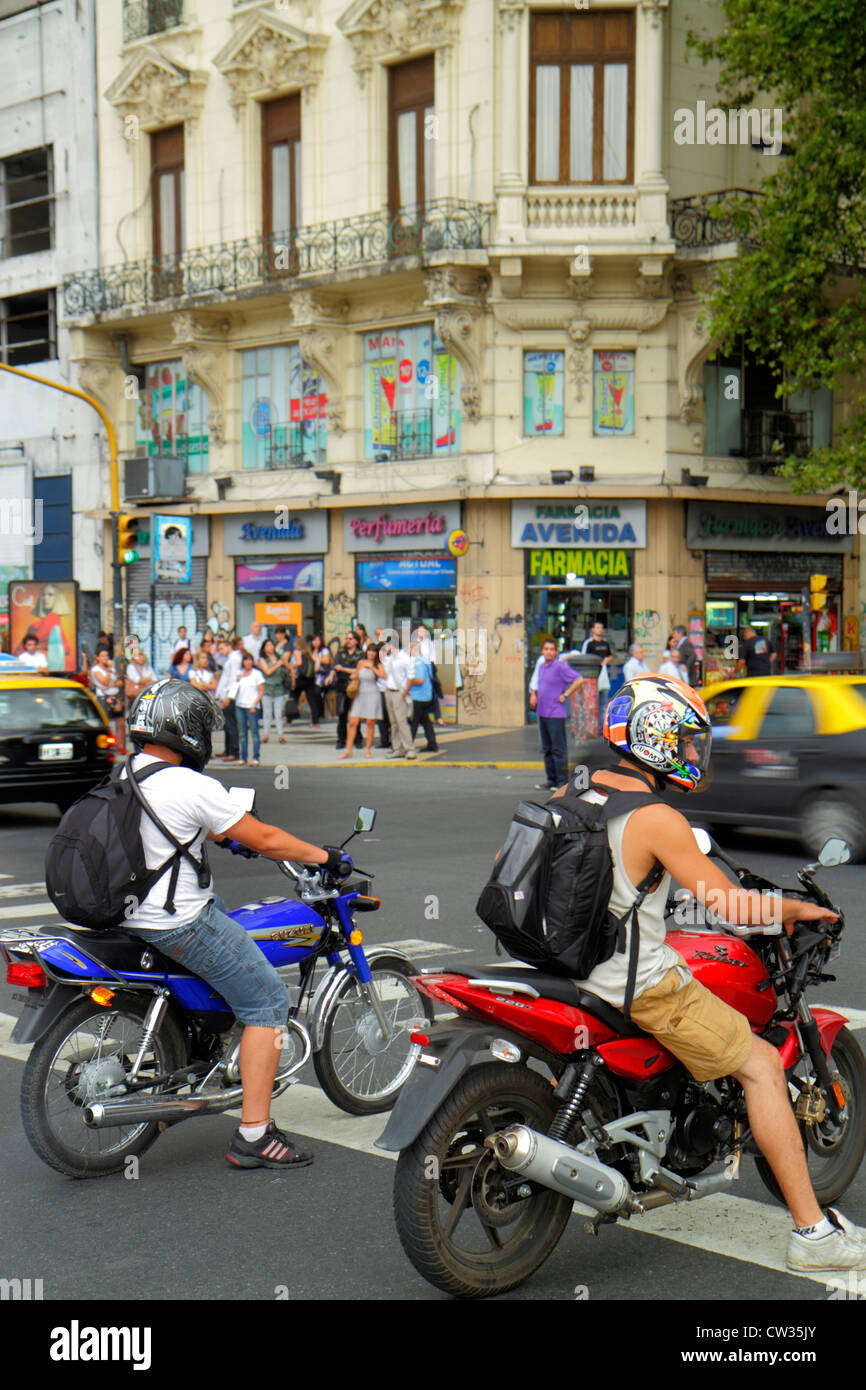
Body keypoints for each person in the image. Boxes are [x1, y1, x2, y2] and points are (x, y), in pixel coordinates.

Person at [566, 673, 866, 1275]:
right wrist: (798, 908)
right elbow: (734, 907)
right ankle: (811, 1234)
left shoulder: (573, 793)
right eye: (685, 740)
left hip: (570, 973)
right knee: (759, 1067)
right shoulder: (655, 816)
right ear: (655, 739)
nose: (691, 752)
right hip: (637, 985)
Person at [123, 678, 354, 1168]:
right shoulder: (189, 782)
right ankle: (254, 1134)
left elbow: (170, 830)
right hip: (179, 921)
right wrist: (324, 855)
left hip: (128, 915)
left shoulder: (127, 775)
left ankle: (203, 1042)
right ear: (187, 730)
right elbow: (266, 838)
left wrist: (222, 835)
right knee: (268, 999)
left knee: (227, 932)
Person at [528, 638, 585, 790]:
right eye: (546, 649)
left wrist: (565, 694)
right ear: (542, 651)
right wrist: (533, 694)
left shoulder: (560, 667)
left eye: (551, 649)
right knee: (547, 749)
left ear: (556, 652)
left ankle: (561, 781)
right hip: (543, 712)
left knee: (558, 749)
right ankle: (551, 780)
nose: (548, 652)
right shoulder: (541, 667)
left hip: (556, 713)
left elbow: (579, 680)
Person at [338, 643, 385, 759]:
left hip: (372, 693)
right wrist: (352, 675)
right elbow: (356, 673)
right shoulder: (361, 662)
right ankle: (348, 749)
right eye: (369, 651)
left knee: (370, 723)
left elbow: (383, 675)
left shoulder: (378, 664)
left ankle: (367, 749)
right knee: (353, 721)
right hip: (360, 693)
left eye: (373, 652)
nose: (371, 653)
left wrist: (372, 668)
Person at [381, 634, 416, 759]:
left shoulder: (404, 658)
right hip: (389, 691)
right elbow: (385, 675)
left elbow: (412, 676)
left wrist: (405, 691)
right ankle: (398, 748)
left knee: (401, 722)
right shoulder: (389, 659)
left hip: (399, 692)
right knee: (393, 722)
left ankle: (410, 748)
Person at [326, 630, 362, 750]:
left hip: (354, 687)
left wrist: (343, 669)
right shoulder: (341, 653)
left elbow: (358, 670)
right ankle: (341, 740)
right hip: (342, 686)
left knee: (356, 714)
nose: (348, 641)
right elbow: (335, 667)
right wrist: (331, 675)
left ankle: (357, 739)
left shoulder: (360, 654)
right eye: (347, 638)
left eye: (350, 639)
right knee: (342, 714)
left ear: (356, 641)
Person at [229, 651, 264, 766]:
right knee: (242, 733)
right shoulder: (240, 673)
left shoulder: (257, 674)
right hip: (240, 705)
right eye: (246, 660)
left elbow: (261, 691)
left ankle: (256, 757)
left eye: (250, 660)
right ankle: (243, 757)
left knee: (254, 732)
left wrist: (254, 704)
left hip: (252, 706)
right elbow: (234, 689)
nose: (248, 662)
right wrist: (237, 680)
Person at [405, 641, 439, 754]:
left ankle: (408, 746)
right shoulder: (425, 661)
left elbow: (420, 680)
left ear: (413, 649)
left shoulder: (418, 663)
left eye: (409, 648)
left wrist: (408, 682)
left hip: (418, 696)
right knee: (425, 721)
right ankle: (432, 744)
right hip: (426, 695)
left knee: (413, 722)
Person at [581, 621, 615, 734]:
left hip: (603, 677)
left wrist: (607, 660)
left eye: (601, 628)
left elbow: (610, 656)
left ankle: (601, 728)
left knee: (603, 703)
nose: (599, 630)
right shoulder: (589, 643)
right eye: (597, 627)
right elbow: (584, 657)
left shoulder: (605, 643)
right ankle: (590, 726)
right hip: (592, 677)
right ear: (593, 630)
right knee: (591, 703)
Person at [90, 647, 125, 749]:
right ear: (98, 658)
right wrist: (109, 672)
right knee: (106, 723)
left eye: (107, 656)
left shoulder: (111, 668)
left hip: (115, 697)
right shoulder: (96, 670)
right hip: (104, 698)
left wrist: (110, 685)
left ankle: (121, 747)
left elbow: (120, 682)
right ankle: (107, 746)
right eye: (103, 656)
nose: (105, 658)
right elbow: (104, 681)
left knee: (121, 723)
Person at [215, 637, 243, 762]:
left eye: (222, 648)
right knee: (226, 724)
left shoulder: (235, 659)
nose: (220, 651)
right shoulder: (228, 658)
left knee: (231, 724)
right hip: (224, 695)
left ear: (228, 646)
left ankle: (234, 751)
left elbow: (233, 679)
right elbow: (217, 659)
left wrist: (229, 696)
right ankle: (228, 749)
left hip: (229, 696)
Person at [258, 638, 288, 744]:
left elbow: (287, 667)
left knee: (279, 713)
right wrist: (278, 664)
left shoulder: (279, 657)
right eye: (267, 645)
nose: (270, 647)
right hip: (267, 688)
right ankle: (266, 734)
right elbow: (267, 671)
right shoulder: (263, 659)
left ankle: (281, 735)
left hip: (279, 687)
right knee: (267, 713)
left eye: (271, 645)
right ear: (264, 648)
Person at [290, 636, 317, 726]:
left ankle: (289, 720)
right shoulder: (308, 652)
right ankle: (315, 721)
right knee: (312, 700)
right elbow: (315, 661)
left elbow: (299, 663)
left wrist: (290, 666)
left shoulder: (297, 652)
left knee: (294, 697)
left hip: (300, 677)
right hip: (310, 678)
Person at [309, 634, 330, 727]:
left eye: (318, 640)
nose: (316, 642)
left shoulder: (324, 650)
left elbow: (327, 661)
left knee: (316, 693)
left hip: (321, 676)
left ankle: (318, 714)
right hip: (312, 676)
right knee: (313, 695)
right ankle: (316, 716)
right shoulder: (311, 650)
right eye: (314, 640)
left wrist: (317, 659)